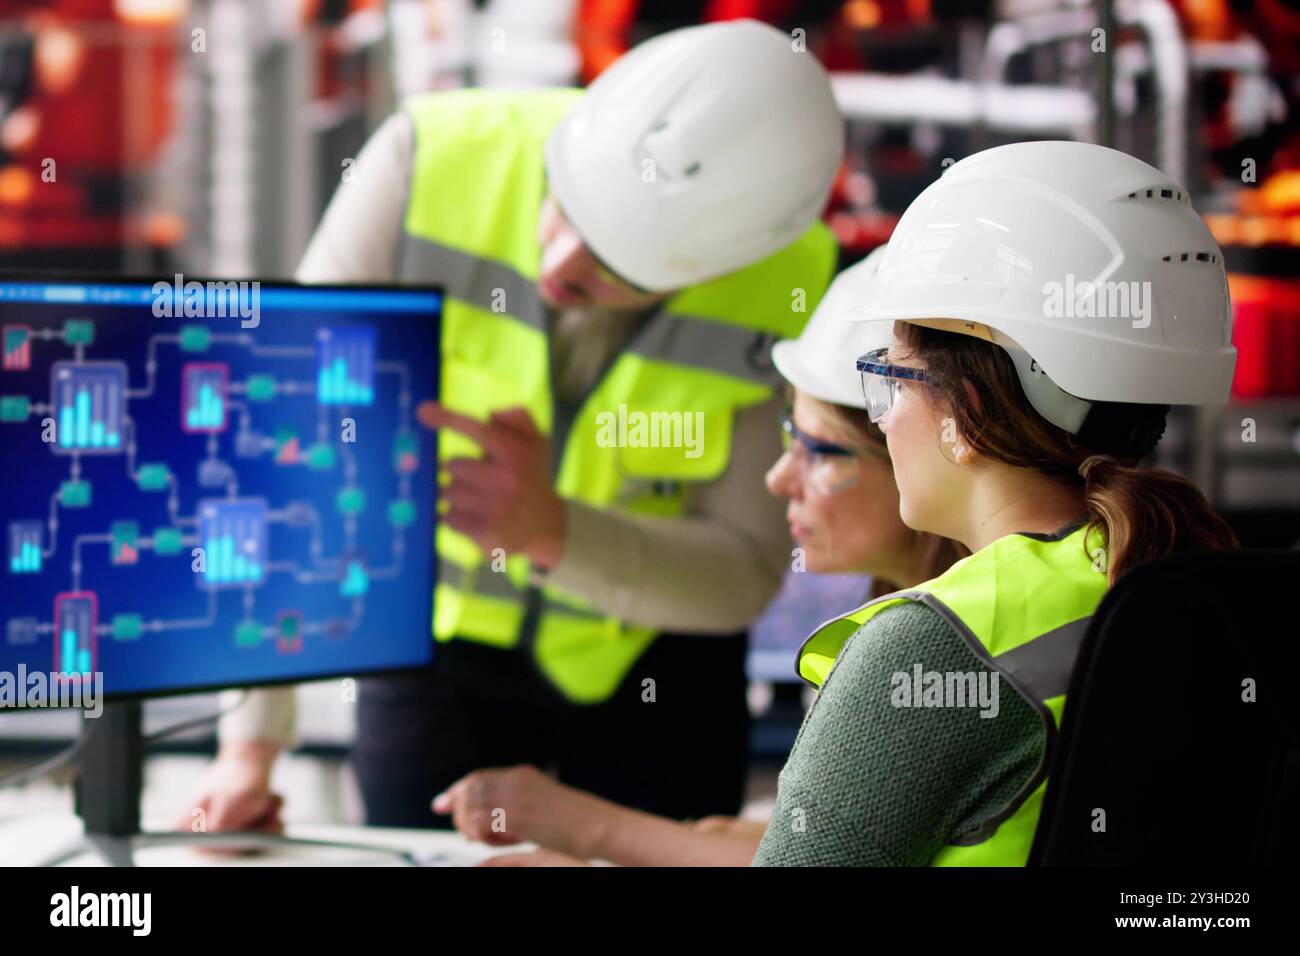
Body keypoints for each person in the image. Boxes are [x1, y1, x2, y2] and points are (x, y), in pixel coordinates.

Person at [181, 18, 845, 834]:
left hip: (655, 664)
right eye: (563, 206)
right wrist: (248, 748)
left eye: (615, 266)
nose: (559, 263)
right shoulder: (423, 165)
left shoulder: (784, 276)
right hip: (435, 649)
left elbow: (742, 570)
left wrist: (553, 533)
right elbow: (282, 460)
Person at [752, 140, 1240, 866]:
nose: (880, 419)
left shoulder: (927, 650)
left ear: (969, 412)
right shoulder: (1195, 574)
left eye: (889, 379)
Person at [431, 250, 966, 866]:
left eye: (823, 452)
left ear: (922, 453)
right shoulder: (908, 622)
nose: (776, 479)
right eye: (790, 438)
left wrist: (585, 832)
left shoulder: (925, 655)